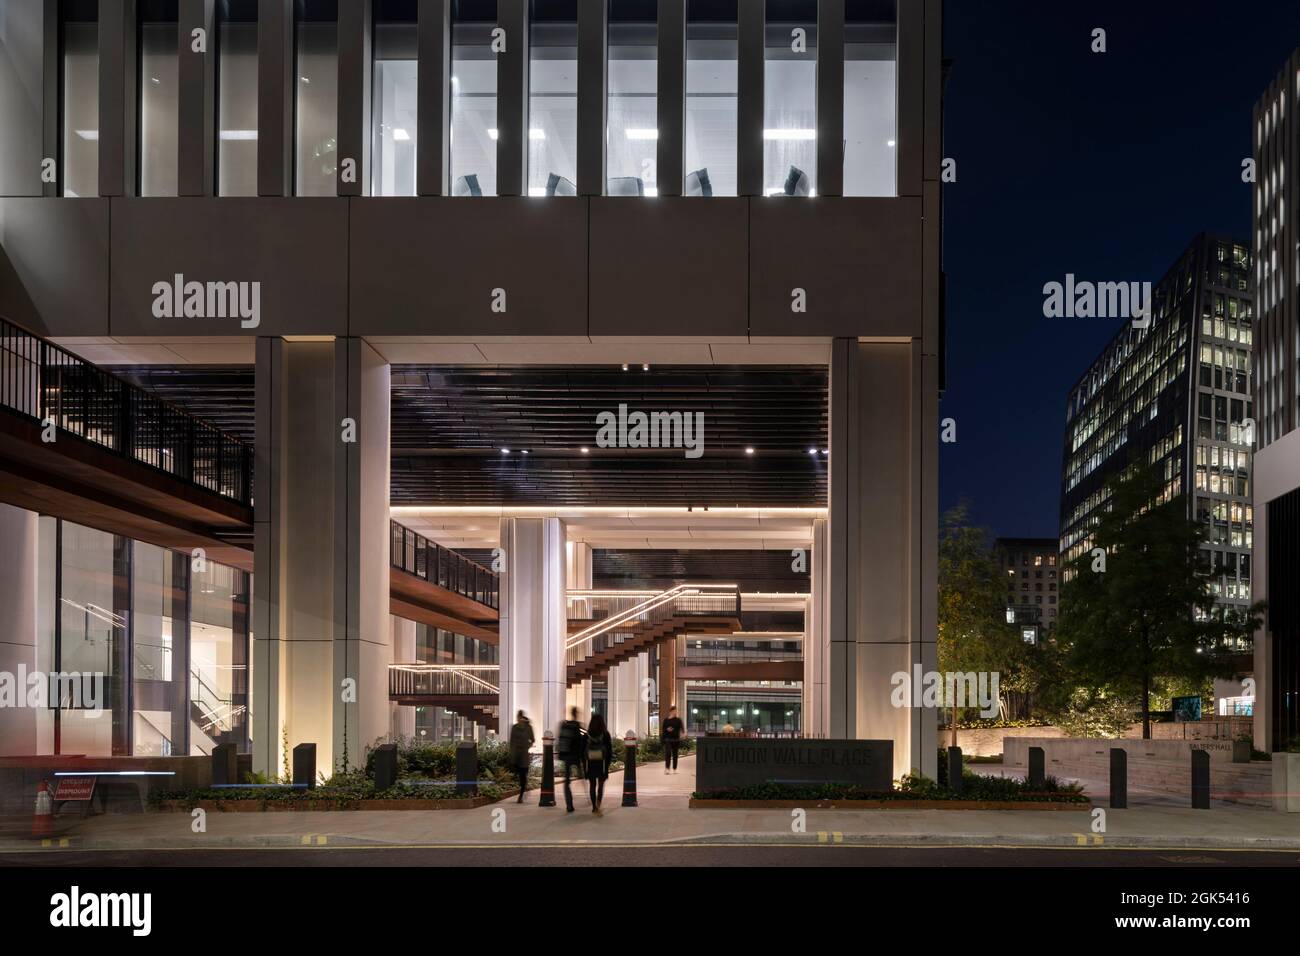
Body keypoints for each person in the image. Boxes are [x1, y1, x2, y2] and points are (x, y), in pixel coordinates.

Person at [556, 706, 587, 813]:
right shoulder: (577, 725)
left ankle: (569, 804)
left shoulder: (564, 725)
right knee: (582, 777)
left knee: (567, 781)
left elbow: (560, 739)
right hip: (575, 756)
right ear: (576, 713)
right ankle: (588, 797)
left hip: (566, 756)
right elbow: (581, 741)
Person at [585, 712, 613, 816]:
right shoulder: (606, 734)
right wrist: (608, 764)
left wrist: (584, 764)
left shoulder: (587, 735)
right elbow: (610, 751)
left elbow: (582, 751)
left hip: (591, 763)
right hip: (602, 764)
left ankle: (594, 807)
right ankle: (598, 804)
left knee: (592, 785)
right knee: (600, 786)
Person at [508, 710, 534, 803]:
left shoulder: (528, 727)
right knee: (519, 775)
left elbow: (532, 739)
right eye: (517, 717)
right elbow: (511, 741)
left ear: (521, 717)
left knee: (523, 775)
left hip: (523, 755)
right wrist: (511, 754)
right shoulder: (514, 727)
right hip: (515, 755)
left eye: (519, 717)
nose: (518, 719)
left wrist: (527, 747)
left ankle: (521, 795)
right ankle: (523, 790)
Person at [661, 705, 685, 774]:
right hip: (668, 739)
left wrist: (683, 734)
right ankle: (667, 768)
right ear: (670, 712)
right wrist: (667, 729)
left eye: (676, 711)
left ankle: (674, 769)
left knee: (675, 754)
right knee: (668, 753)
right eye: (674, 711)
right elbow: (663, 729)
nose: (675, 712)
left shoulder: (678, 720)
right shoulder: (666, 720)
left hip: (676, 739)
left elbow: (682, 728)